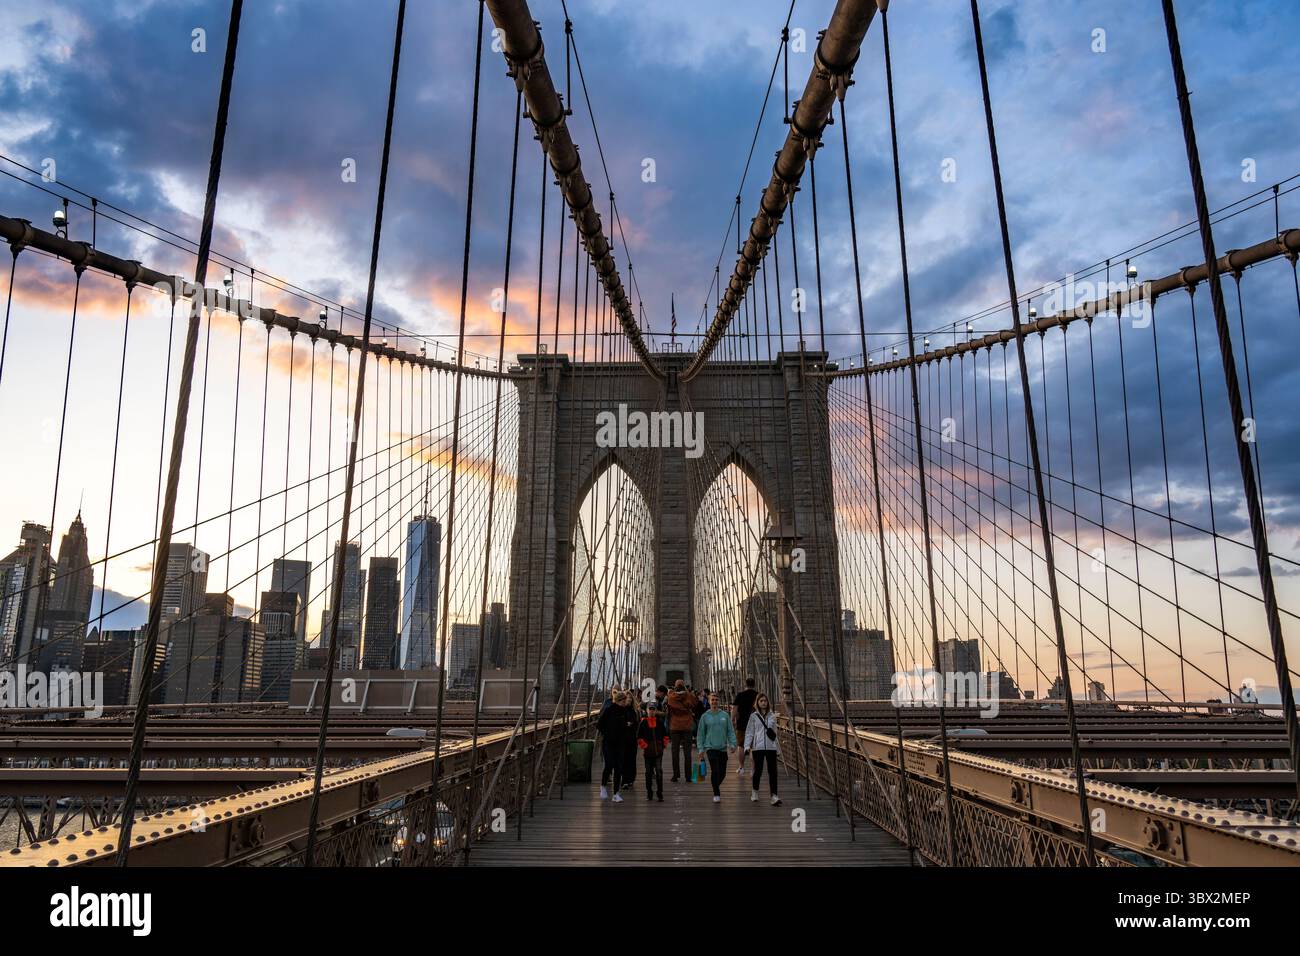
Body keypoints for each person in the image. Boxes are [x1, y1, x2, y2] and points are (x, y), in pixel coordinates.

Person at [695, 692, 736, 802]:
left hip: (722, 748)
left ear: (719, 701)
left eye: (716, 700)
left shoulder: (725, 715)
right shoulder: (705, 716)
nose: (714, 702)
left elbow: (730, 731)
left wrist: (733, 744)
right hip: (710, 747)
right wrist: (701, 748)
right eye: (712, 700)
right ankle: (716, 793)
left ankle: (715, 785)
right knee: (715, 769)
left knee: (722, 773)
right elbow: (700, 734)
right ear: (709, 701)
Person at [596, 691, 637, 802]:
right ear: (618, 701)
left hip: (620, 743)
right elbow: (599, 725)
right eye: (623, 700)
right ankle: (603, 786)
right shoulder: (609, 710)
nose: (625, 702)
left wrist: (626, 726)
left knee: (619, 767)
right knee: (609, 765)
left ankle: (616, 794)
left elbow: (626, 724)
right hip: (608, 743)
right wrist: (608, 733)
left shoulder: (624, 712)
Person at [743, 693, 781, 806]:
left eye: (765, 701)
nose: (763, 703)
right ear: (758, 703)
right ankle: (755, 791)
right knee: (758, 771)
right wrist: (746, 746)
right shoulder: (753, 716)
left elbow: (775, 734)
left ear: (767, 702)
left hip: (770, 747)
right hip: (757, 747)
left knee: (773, 772)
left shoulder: (772, 716)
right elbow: (749, 732)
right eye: (761, 701)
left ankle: (774, 796)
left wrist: (778, 749)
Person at [665, 680, 698, 782]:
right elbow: (695, 703)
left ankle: (676, 775)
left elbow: (669, 707)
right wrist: (687, 692)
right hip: (687, 726)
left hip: (675, 727)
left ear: (675, 686)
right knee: (687, 753)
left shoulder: (671, 697)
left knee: (675, 752)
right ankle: (688, 776)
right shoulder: (689, 696)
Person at [637, 701, 670, 801]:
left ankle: (660, 793)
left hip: (658, 752)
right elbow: (639, 737)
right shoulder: (643, 723)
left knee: (659, 771)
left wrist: (663, 745)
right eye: (650, 709)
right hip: (648, 752)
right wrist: (645, 745)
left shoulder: (659, 723)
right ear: (647, 711)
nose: (651, 711)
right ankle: (649, 792)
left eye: (653, 709)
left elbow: (665, 735)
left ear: (655, 711)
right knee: (648, 773)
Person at [732, 678, 758, 775]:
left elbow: (734, 708)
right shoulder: (758, 695)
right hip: (755, 724)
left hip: (742, 724)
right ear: (754, 684)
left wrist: (732, 720)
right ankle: (753, 769)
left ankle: (741, 767)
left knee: (741, 746)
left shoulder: (740, 695)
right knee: (753, 747)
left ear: (745, 684)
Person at [622, 693, 642, 789]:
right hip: (623, 738)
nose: (629, 700)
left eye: (630, 698)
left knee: (631, 759)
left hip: (632, 738)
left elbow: (637, 725)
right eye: (627, 698)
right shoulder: (621, 710)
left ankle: (631, 778)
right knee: (624, 759)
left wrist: (631, 724)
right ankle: (625, 780)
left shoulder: (635, 711)